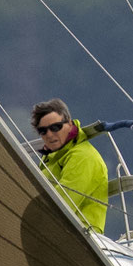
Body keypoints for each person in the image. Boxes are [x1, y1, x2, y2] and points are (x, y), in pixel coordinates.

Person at [31, 98, 110, 234]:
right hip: (52, 234)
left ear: (69, 123)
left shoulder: (82, 157)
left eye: (55, 127)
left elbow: (61, 206)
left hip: (82, 239)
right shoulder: (52, 155)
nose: (49, 134)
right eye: (43, 131)